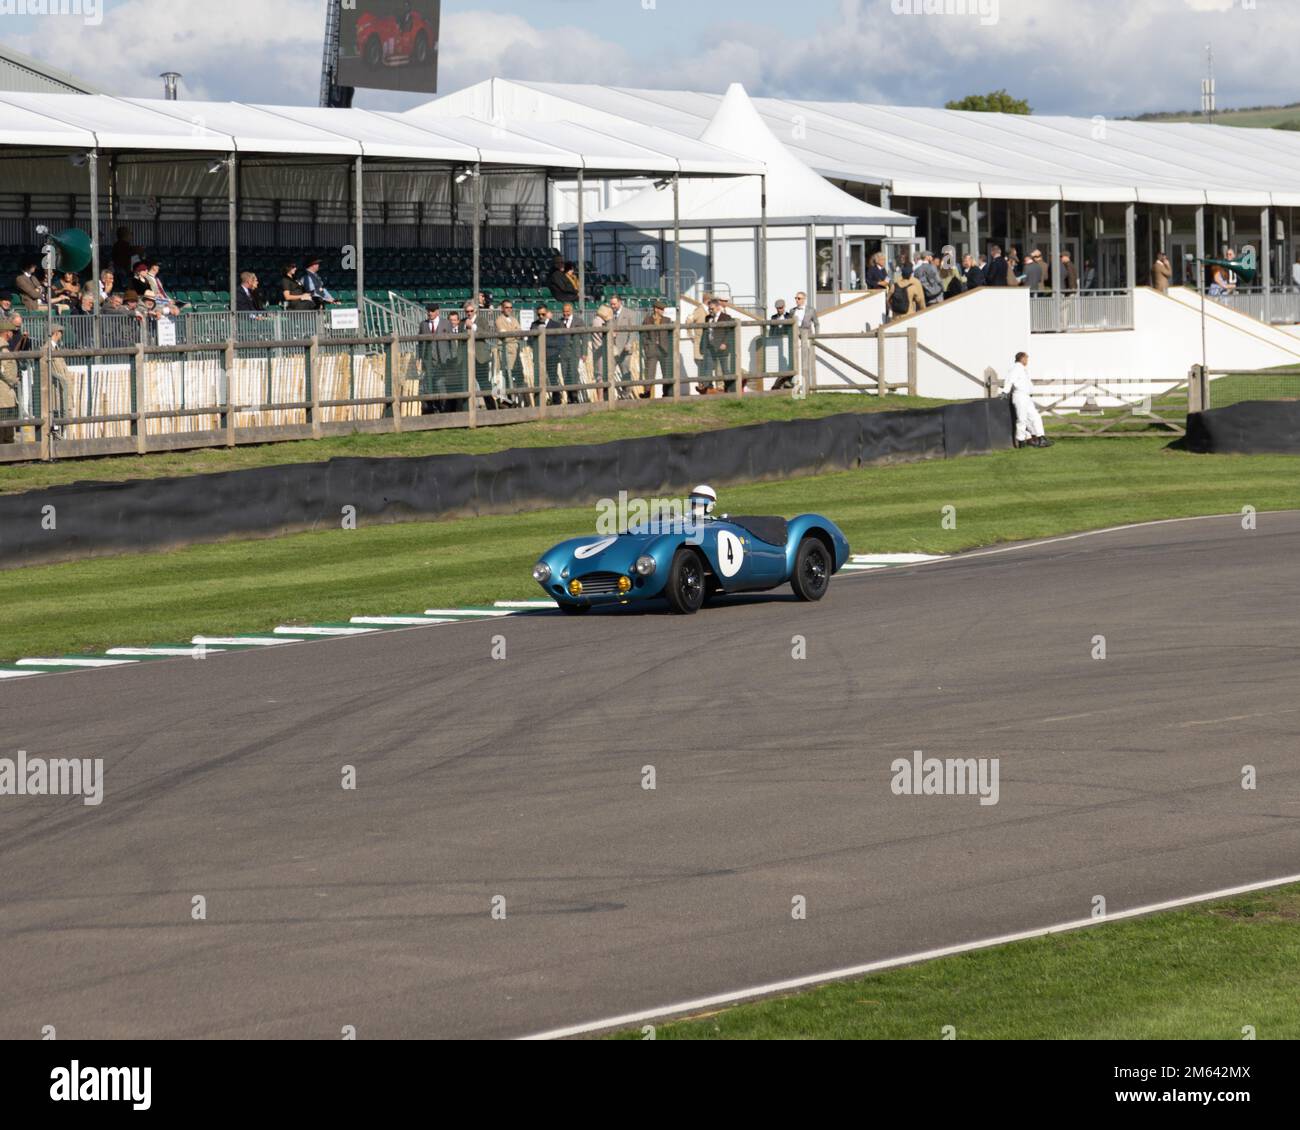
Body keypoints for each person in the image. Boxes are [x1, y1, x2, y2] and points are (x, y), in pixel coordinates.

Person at [1003, 351, 1051, 448]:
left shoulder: (1023, 369)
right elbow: (1010, 379)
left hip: (1026, 397)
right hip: (1020, 396)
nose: (1027, 360)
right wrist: (1005, 391)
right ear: (1022, 358)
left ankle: (1041, 437)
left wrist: (1030, 391)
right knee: (1022, 419)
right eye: (1026, 358)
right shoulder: (1016, 368)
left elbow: (1026, 383)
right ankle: (1021, 441)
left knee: (1036, 416)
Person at [417, 304, 452, 414]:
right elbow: (420, 343)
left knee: (440, 384)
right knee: (429, 386)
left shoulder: (446, 323)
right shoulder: (423, 324)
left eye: (432, 311)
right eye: (428, 311)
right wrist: (419, 358)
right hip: (428, 361)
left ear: (437, 311)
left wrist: (452, 357)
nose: (430, 313)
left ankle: (444, 409)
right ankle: (433, 409)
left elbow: (452, 342)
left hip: (443, 361)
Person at [495, 298, 528, 406]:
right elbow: (505, 337)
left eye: (510, 307)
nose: (509, 309)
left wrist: (513, 333)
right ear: (502, 308)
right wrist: (515, 333)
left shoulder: (514, 319)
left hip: (516, 351)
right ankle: (507, 401)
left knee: (516, 376)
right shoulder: (499, 320)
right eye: (506, 307)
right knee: (506, 376)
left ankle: (516, 400)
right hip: (506, 352)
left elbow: (519, 333)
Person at [700, 297, 736, 393]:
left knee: (725, 370)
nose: (710, 310)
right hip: (710, 347)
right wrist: (702, 346)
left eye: (712, 309)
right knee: (708, 368)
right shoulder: (707, 318)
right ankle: (706, 389)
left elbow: (729, 332)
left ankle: (730, 389)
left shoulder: (726, 317)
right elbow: (705, 332)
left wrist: (724, 343)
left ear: (718, 307)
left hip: (722, 348)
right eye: (709, 309)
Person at [640, 300, 674, 398]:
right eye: (661, 309)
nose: (662, 311)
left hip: (664, 350)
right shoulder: (647, 320)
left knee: (666, 373)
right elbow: (643, 335)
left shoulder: (667, 320)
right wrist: (647, 346)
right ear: (656, 309)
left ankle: (666, 393)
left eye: (663, 309)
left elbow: (671, 336)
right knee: (650, 373)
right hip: (652, 350)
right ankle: (647, 393)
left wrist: (669, 348)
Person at [0, 317, 20, 443]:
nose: (13, 334)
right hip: (3, 393)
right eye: (12, 331)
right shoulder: (2, 348)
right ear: (7, 332)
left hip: (6, 392)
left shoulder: (4, 347)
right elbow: (3, 370)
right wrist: (13, 380)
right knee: (4, 427)